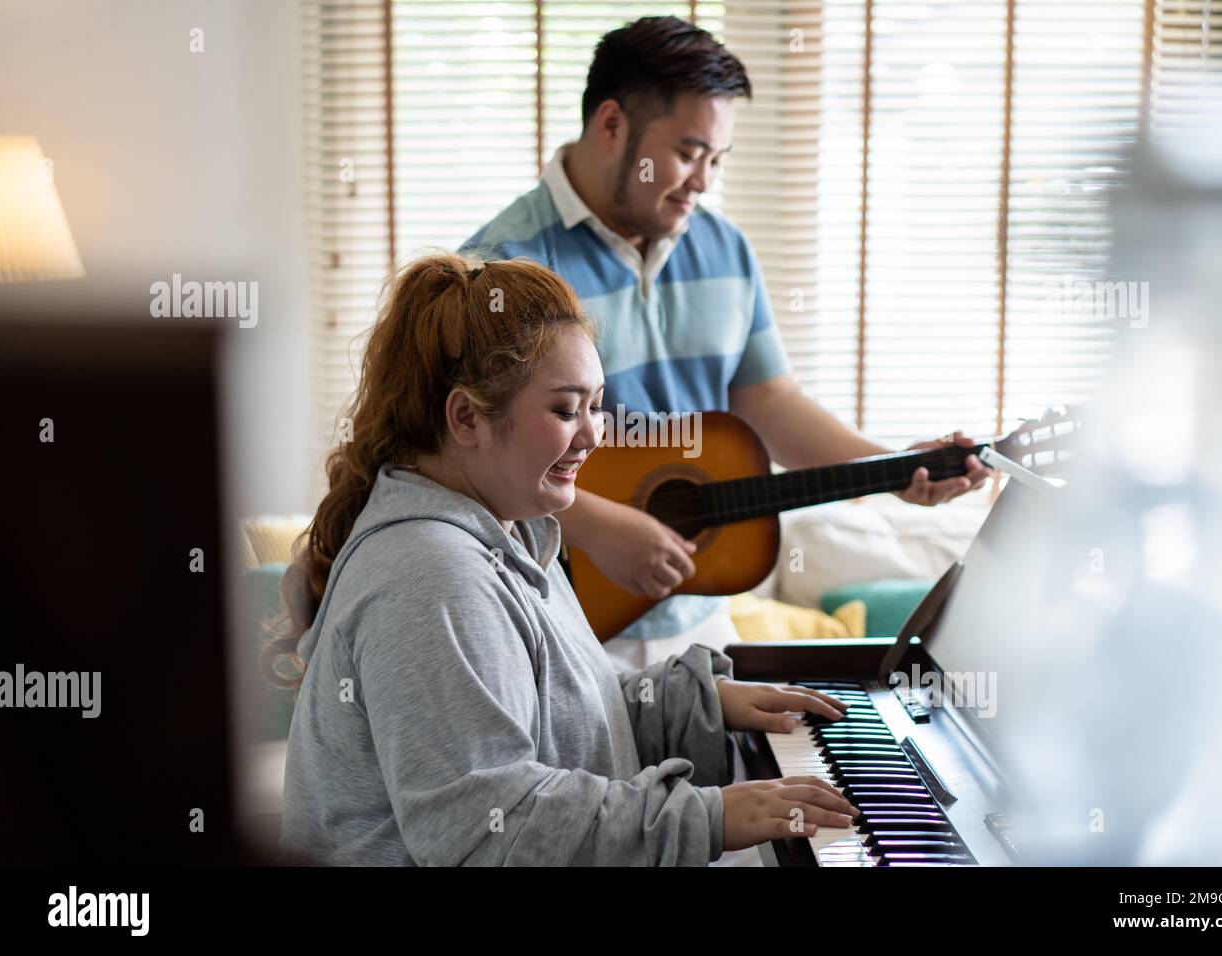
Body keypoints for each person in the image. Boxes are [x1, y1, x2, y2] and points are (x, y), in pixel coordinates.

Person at [269, 253, 857, 866]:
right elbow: (491, 831)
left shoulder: (512, 527)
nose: (594, 434)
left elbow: (558, 715)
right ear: (466, 417)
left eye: (596, 405)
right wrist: (710, 815)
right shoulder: (431, 576)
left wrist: (700, 705)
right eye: (565, 409)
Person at [461, 16, 992, 671]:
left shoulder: (726, 249)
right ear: (610, 125)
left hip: (702, 613)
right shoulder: (501, 267)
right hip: (553, 618)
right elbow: (464, 456)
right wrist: (596, 526)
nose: (704, 180)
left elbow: (769, 403)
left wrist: (889, 472)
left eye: (717, 159)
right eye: (688, 153)